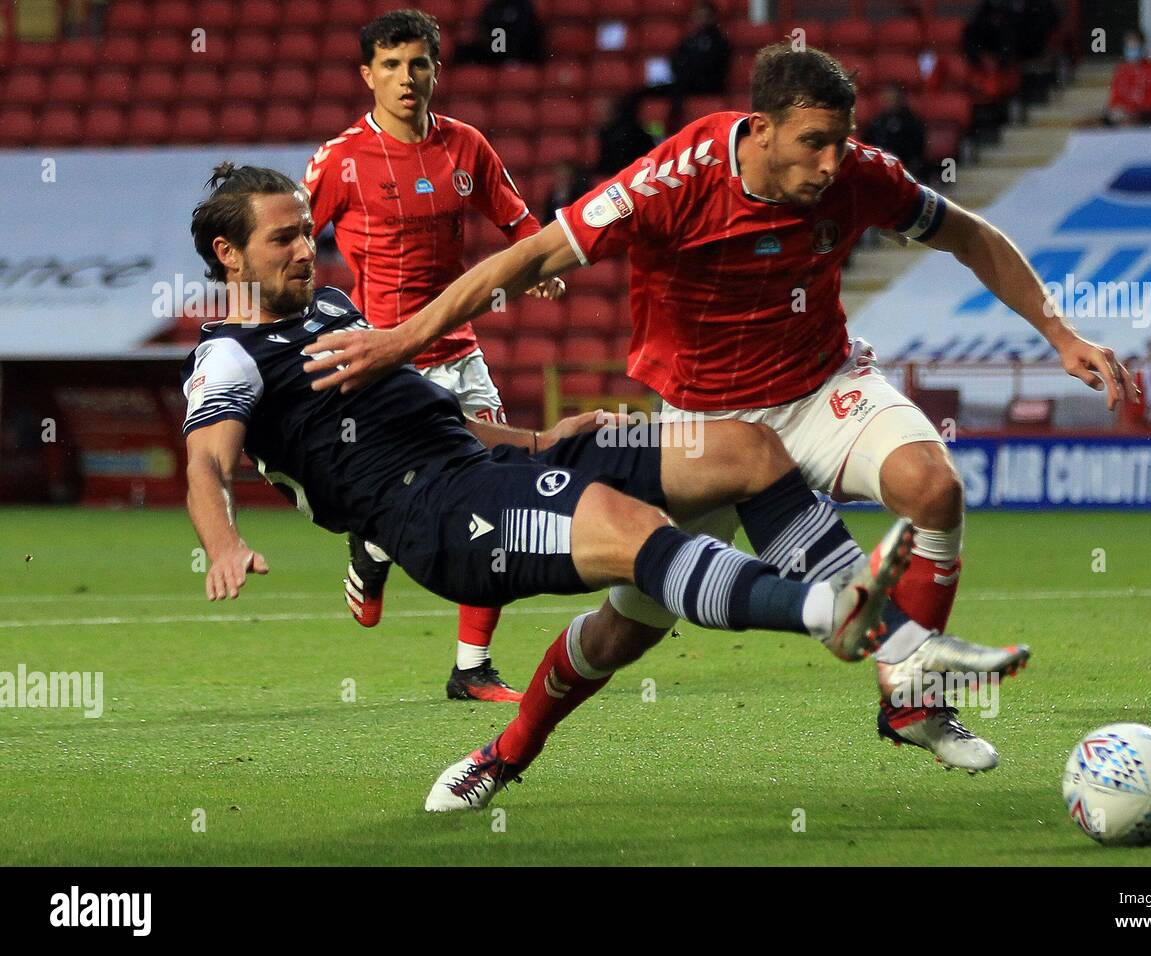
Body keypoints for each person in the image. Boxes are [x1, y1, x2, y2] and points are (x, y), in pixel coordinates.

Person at [301, 45, 1110, 774]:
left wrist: (1058, 332)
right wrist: (400, 340)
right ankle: (506, 752)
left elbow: (967, 233)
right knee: (628, 628)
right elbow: (534, 254)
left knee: (934, 488)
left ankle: (912, 703)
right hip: (702, 427)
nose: (831, 163)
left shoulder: (861, 173)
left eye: (839, 142)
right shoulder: (673, 180)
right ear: (760, 130)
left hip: (824, 389)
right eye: (813, 144)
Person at [182, 163, 1029, 810]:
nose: (305, 249)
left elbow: (429, 417)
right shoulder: (229, 355)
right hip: (438, 520)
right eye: (282, 239)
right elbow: (206, 461)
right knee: (631, 531)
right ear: (228, 255)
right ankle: (856, 625)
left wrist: (538, 438)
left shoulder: (330, 311)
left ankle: (872, 624)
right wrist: (223, 541)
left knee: (742, 448)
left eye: (304, 232)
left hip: (492, 465)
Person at [302, 9, 563, 703]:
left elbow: (517, 220)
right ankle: (374, 543)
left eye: (419, 63)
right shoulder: (341, 160)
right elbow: (295, 243)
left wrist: (541, 261)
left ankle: (470, 667)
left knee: (500, 490)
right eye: (391, 65)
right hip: (387, 362)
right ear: (368, 75)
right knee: (415, 496)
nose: (407, 78)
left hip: (459, 349)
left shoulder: (466, 147)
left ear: (436, 70)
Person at [1103, 29, 1151, 127]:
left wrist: (1135, 112)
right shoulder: (1121, 71)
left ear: (1142, 46)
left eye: (1135, 45)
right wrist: (1122, 110)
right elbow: (1115, 97)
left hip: (1145, 117)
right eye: (1129, 45)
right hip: (1122, 116)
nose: (1132, 48)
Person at [669, 1, 732, 96]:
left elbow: (715, 66)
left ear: (713, 17)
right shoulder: (690, 39)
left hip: (707, 86)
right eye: (699, 16)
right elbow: (676, 58)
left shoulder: (720, 41)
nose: (702, 20)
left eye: (706, 16)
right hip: (686, 83)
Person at [863, 85, 926, 178]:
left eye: (892, 99)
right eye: (886, 99)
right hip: (880, 167)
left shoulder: (911, 121)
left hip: (904, 168)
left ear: (900, 99)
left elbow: (917, 148)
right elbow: (868, 143)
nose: (889, 102)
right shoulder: (878, 122)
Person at [542, 159, 590, 224]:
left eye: (565, 175)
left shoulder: (579, 193)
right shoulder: (551, 195)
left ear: (571, 177)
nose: (562, 178)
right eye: (559, 175)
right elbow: (547, 219)